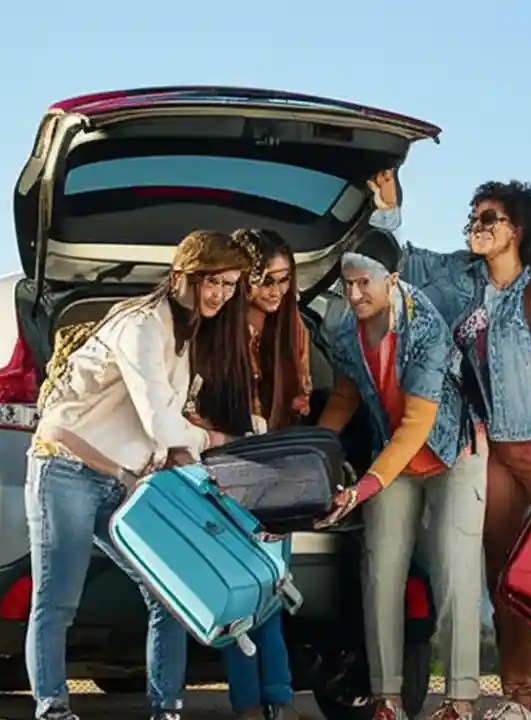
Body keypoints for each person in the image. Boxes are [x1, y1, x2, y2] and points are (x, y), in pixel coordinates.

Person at [397, 177, 531, 720]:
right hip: (489, 450)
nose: (476, 227)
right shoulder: (460, 279)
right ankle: (519, 698)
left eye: (488, 219)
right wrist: (386, 207)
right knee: (508, 579)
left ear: (516, 229)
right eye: (472, 219)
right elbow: (402, 261)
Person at [24, 229, 256, 720]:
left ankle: (166, 708)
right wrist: (213, 441)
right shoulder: (142, 326)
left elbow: (169, 438)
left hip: (120, 481)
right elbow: (161, 423)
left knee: (168, 593)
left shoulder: (184, 337)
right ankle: (53, 709)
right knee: (58, 598)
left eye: (230, 284)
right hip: (65, 464)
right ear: (180, 277)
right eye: (211, 281)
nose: (219, 294)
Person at [315, 227, 487, 720]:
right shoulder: (345, 328)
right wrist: (318, 450)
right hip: (393, 454)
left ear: (391, 280)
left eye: (363, 283)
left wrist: (364, 487)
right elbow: (347, 395)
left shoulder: (426, 329)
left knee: (455, 572)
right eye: (347, 284)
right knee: (381, 568)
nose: (354, 294)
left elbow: (416, 425)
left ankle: (460, 701)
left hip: (452, 451)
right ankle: (387, 698)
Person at [191, 228, 312, 720]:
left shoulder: (293, 328)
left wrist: (300, 402)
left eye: (284, 281)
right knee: (238, 596)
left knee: (273, 590)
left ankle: (277, 700)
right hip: (229, 472)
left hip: (277, 473)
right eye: (266, 280)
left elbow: (298, 394)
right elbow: (194, 404)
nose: (276, 292)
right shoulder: (219, 328)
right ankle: (248, 705)